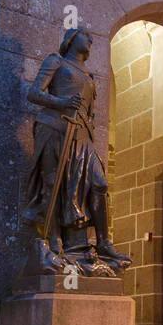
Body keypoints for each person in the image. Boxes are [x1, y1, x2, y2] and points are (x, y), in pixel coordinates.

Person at [21, 25, 132, 275]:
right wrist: (61, 102)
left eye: (93, 37)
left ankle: (103, 243)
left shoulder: (90, 76)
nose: (91, 39)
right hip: (54, 128)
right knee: (54, 185)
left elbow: (90, 113)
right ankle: (53, 242)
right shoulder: (57, 62)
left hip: (81, 136)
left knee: (99, 183)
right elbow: (33, 93)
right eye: (85, 35)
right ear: (71, 39)